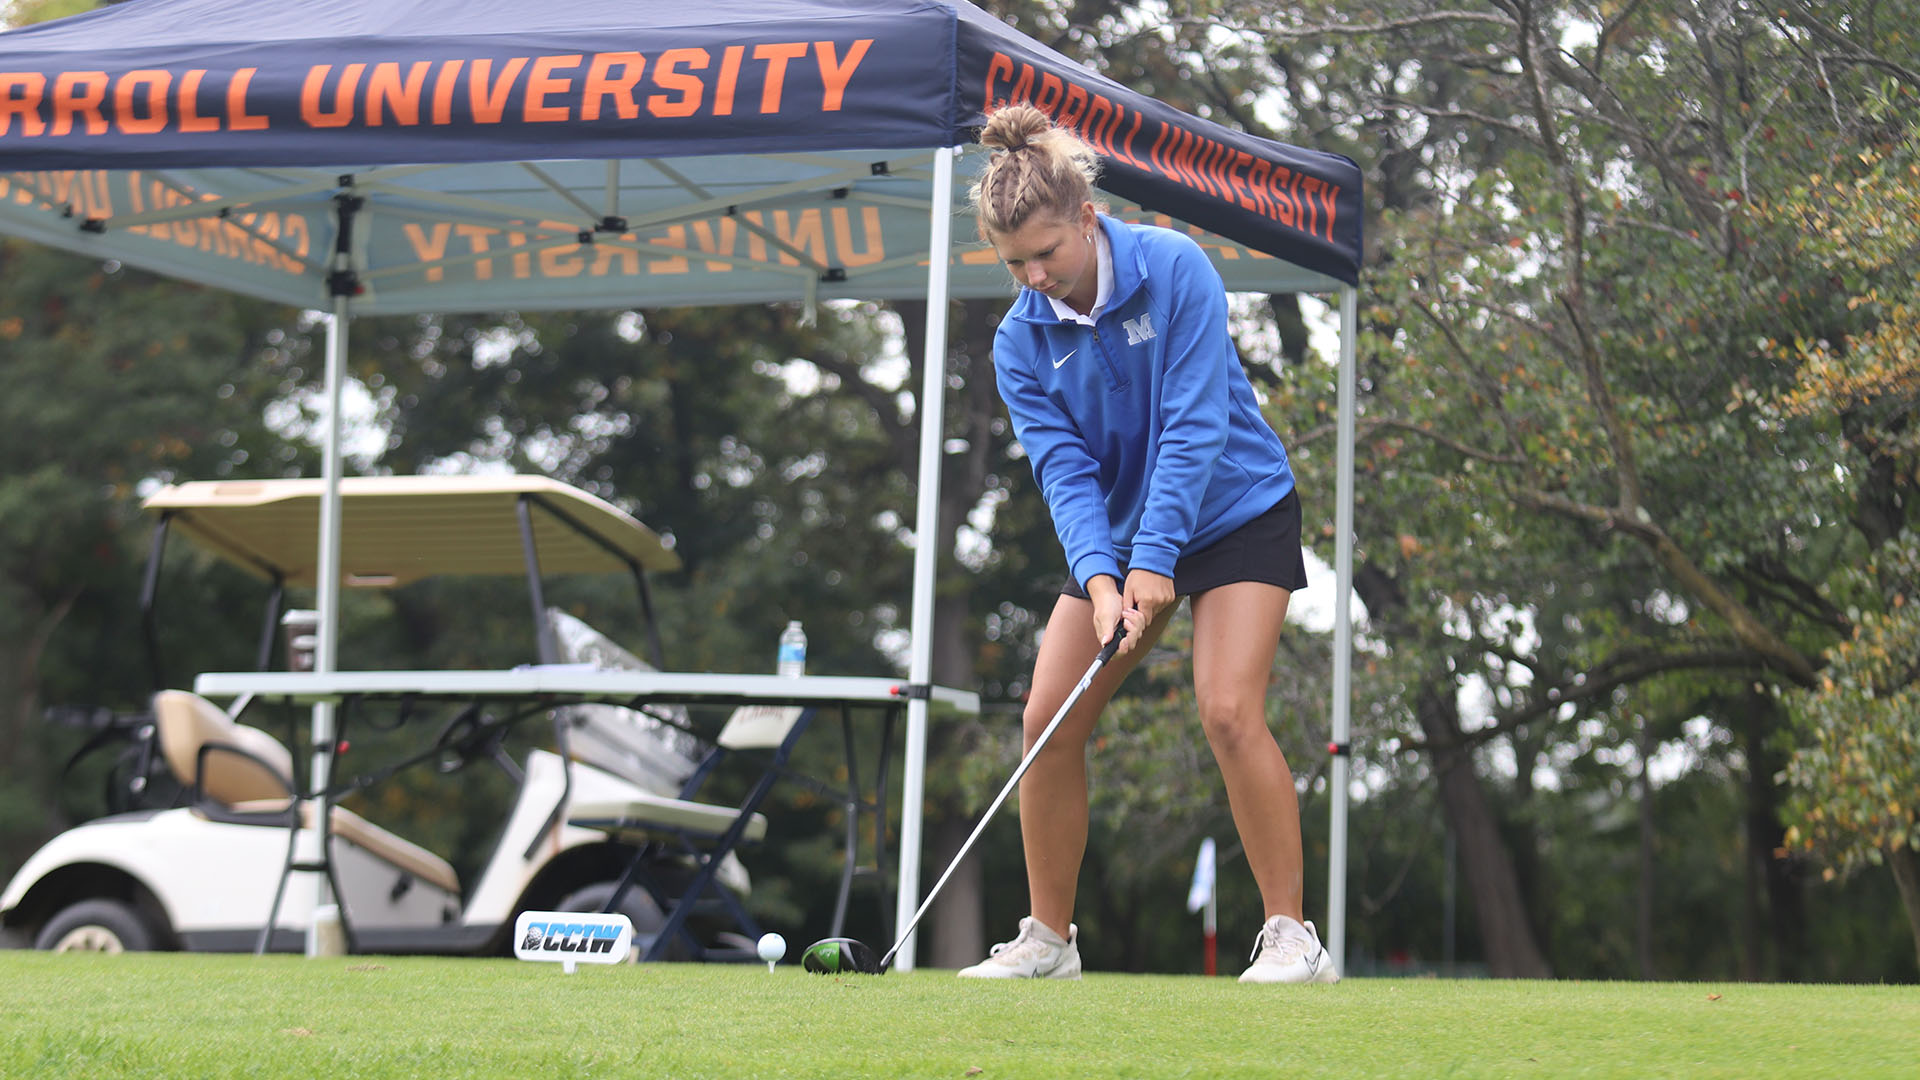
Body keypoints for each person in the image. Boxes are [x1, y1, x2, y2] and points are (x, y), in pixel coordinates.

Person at [956, 104, 1337, 985]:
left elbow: (1195, 429)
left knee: (1227, 709)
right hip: (1124, 533)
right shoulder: (1020, 341)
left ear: (1087, 219)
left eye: (1047, 252)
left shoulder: (1175, 268)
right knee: (1046, 719)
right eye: (1015, 264)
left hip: (1237, 505)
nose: (1036, 275)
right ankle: (1049, 942)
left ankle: (1292, 939)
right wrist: (1100, 581)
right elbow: (1065, 474)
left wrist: (1156, 561)